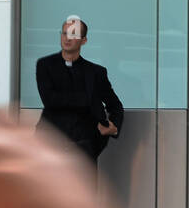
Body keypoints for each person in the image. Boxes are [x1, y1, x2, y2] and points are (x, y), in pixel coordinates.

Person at [35, 16, 125, 166]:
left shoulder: (96, 72)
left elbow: (115, 105)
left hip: (84, 147)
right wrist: (89, 100)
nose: (67, 38)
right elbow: (50, 100)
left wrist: (112, 127)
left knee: (82, 190)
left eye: (73, 34)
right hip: (49, 144)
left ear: (84, 40)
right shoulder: (45, 65)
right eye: (64, 33)